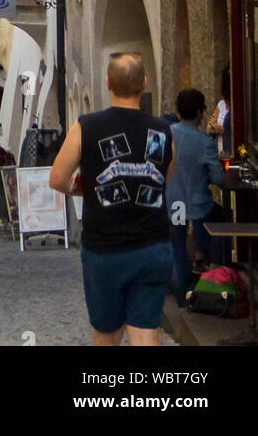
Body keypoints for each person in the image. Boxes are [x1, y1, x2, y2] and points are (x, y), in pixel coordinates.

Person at [49, 52, 175, 347]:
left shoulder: (87, 126)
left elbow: (57, 178)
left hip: (104, 250)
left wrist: (84, 187)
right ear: (143, 83)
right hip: (153, 246)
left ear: (108, 83)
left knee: (106, 335)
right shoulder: (164, 131)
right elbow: (164, 178)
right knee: (145, 333)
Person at [167, 87, 228, 306]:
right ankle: (215, 270)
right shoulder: (204, 142)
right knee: (223, 219)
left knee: (177, 247)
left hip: (174, 204)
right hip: (197, 203)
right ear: (200, 113)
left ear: (179, 111)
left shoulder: (167, 134)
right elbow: (218, 177)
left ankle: (183, 298)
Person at [206, 68, 230, 157]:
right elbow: (208, 129)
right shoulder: (221, 104)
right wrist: (219, 129)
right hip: (220, 150)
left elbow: (229, 131)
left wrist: (218, 127)